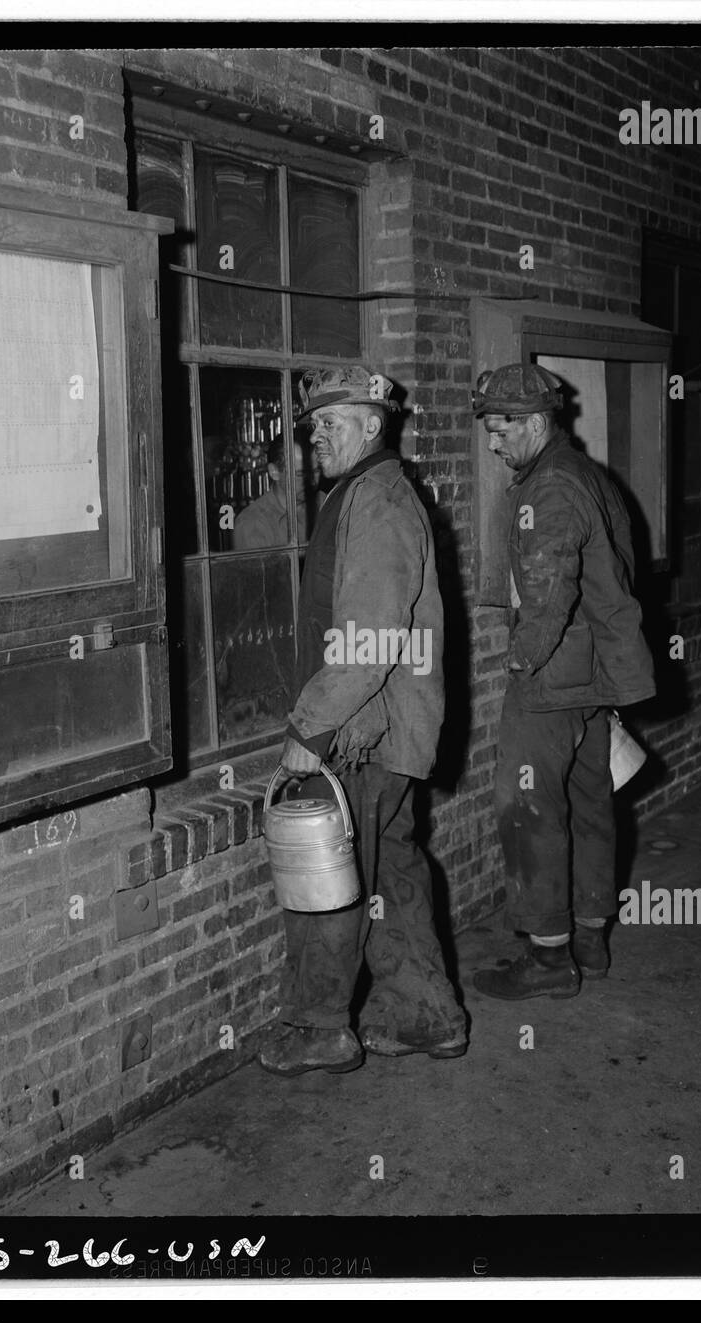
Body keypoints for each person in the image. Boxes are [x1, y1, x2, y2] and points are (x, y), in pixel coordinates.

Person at [258, 366, 467, 1077]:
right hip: (387, 729)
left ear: (372, 425)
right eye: (312, 426)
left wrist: (307, 733)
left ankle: (318, 1026)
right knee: (392, 868)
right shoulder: (365, 493)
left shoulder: (375, 499)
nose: (317, 437)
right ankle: (424, 1016)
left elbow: (370, 638)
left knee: (328, 875)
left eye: (332, 423)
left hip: (359, 733)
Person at [470, 363, 656, 1001]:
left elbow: (549, 591)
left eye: (500, 430)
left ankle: (548, 956)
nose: (493, 443)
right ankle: (589, 938)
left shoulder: (549, 486)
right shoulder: (587, 476)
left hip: (554, 679)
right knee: (590, 804)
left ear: (533, 422)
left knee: (524, 805)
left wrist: (522, 660)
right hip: (594, 680)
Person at [233, 439, 312, 550]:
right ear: (274, 472)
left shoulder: (327, 503)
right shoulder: (251, 523)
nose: (311, 481)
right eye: (300, 474)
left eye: (316, 471)